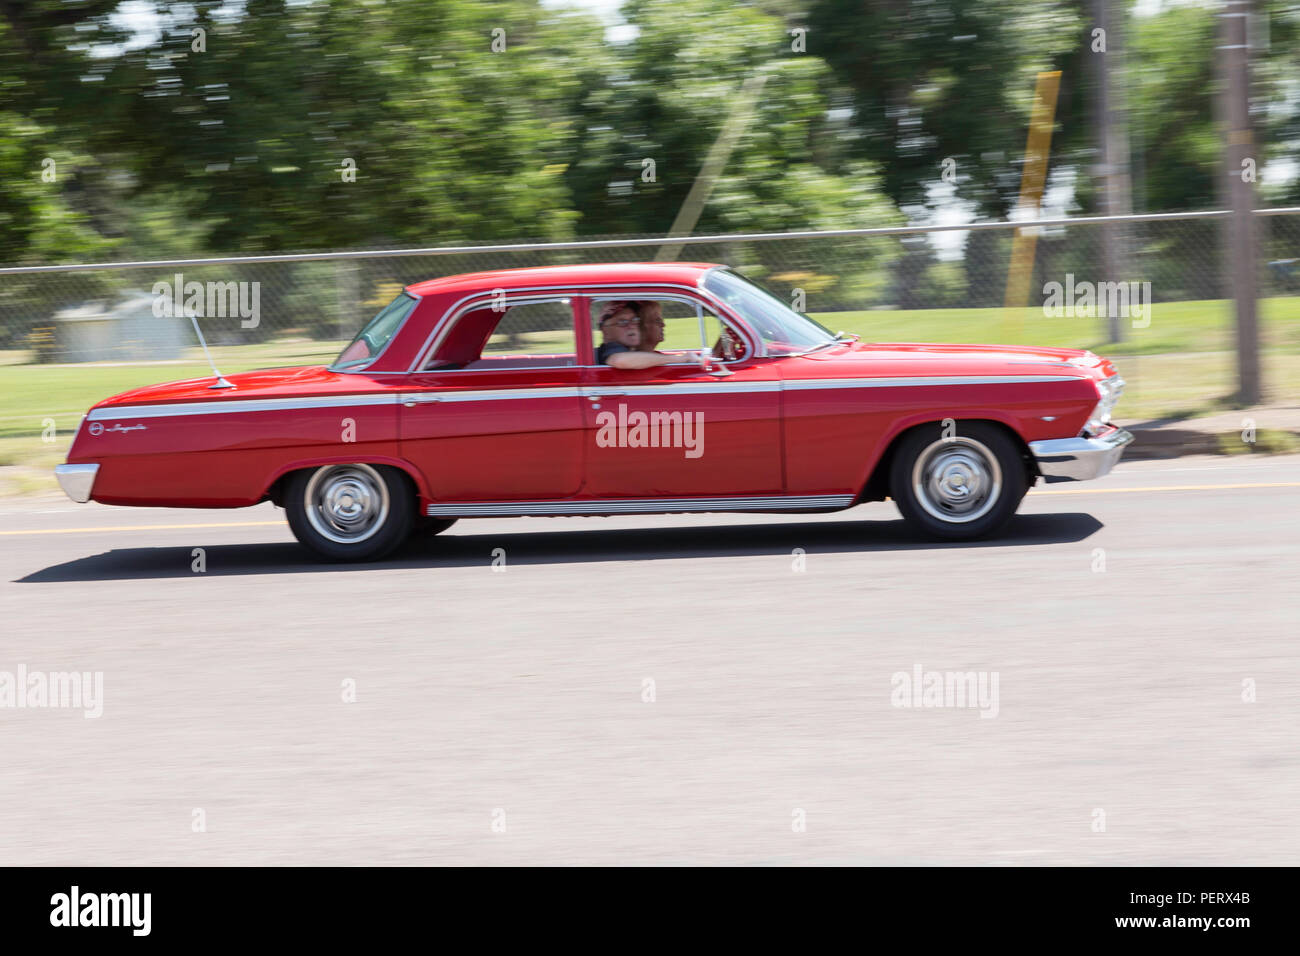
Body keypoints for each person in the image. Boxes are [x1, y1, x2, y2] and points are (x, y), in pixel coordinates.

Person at [594, 301, 697, 368]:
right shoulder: (611, 349)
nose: (632, 325)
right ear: (605, 331)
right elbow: (619, 360)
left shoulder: (632, 351)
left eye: (634, 320)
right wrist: (681, 359)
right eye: (622, 322)